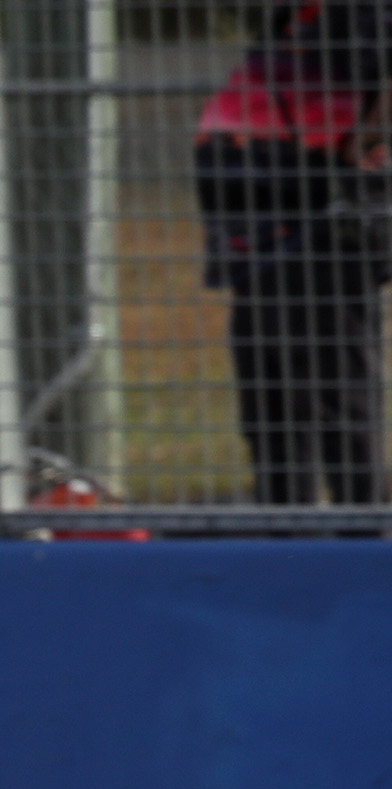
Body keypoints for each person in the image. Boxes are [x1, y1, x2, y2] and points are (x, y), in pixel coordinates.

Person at [196, 1, 392, 506]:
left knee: (335, 387)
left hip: (315, 208)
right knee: (270, 391)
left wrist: (371, 137)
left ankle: (362, 529)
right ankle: (284, 526)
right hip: (259, 215)